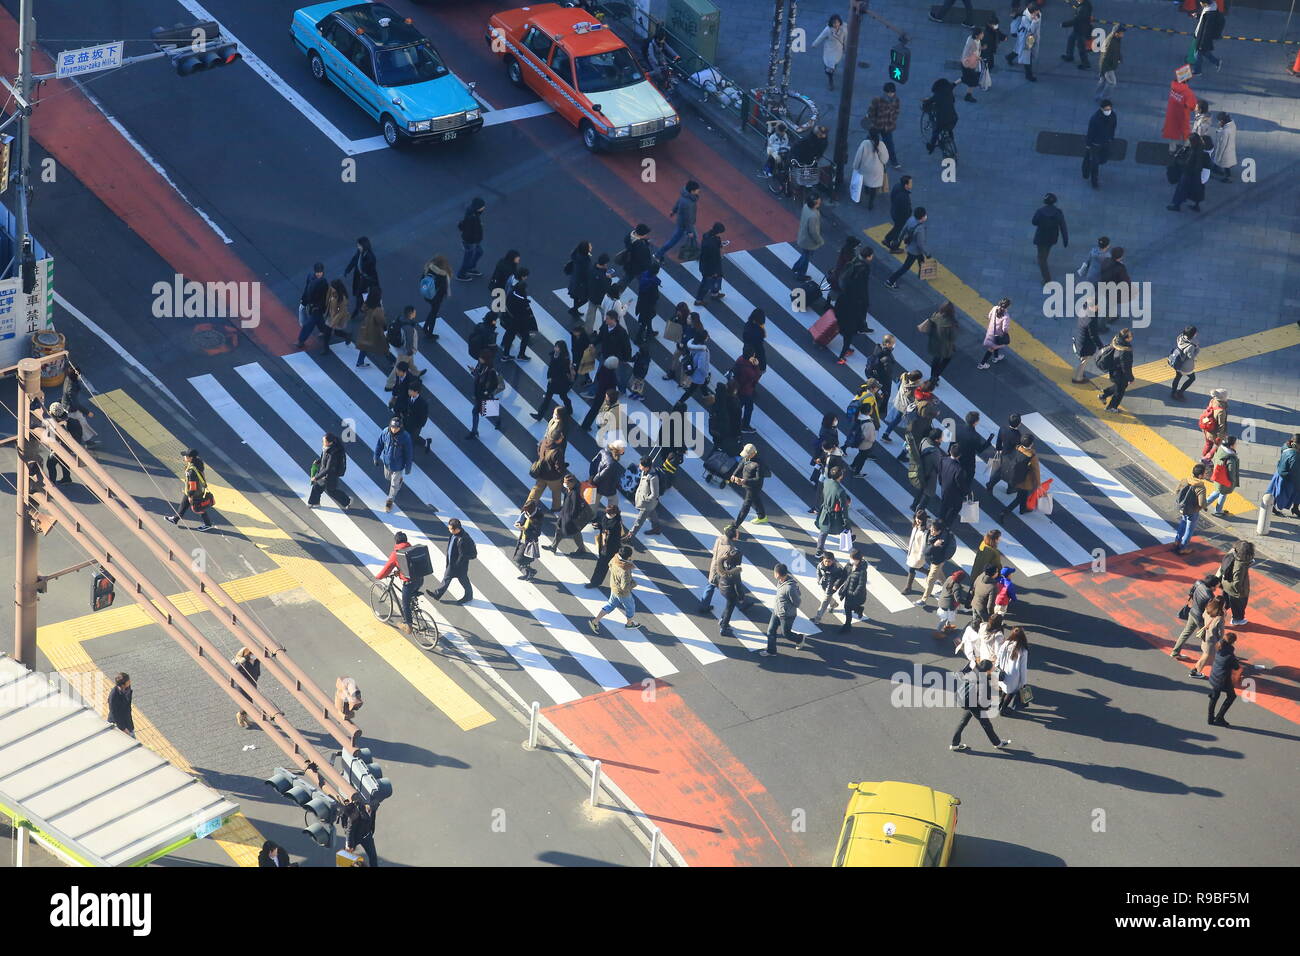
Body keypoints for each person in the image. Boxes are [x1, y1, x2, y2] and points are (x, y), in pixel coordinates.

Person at [950, 659, 1011, 751]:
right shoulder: (983, 683)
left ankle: (955, 744)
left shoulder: (975, 670)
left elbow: (960, 673)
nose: (994, 669)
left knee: (963, 722)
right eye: (992, 668)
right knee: (986, 724)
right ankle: (997, 743)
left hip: (965, 699)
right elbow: (983, 702)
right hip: (973, 704)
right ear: (988, 671)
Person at [377, 531, 423, 632]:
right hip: (420, 579)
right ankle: (414, 609)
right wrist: (400, 572)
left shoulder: (396, 553)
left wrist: (379, 577)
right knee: (410, 598)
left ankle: (409, 626)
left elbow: (387, 568)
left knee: (405, 604)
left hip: (409, 583)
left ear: (396, 542)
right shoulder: (412, 549)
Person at [834, 248, 874, 363]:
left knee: (844, 329)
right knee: (849, 333)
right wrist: (864, 302)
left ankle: (846, 349)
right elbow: (863, 288)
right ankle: (842, 356)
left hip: (842, 302)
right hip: (852, 307)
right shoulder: (864, 269)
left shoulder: (854, 262)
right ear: (869, 256)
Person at [1170, 571, 1220, 661]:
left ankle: (1175, 652)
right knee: (1207, 636)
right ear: (1212, 586)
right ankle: (1211, 654)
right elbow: (1210, 610)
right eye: (1217, 585)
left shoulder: (1199, 584)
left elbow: (1192, 593)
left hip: (1192, 612)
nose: (1217, 587)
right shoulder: (1210, 596)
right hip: (1200, 617)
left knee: (1185, 633)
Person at [590, 545, 640, 630]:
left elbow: (609, 565)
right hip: (623, 593)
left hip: (614, 588)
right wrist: (634, 584)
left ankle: (595, 621)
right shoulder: (625, 570)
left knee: (610, 605)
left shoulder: (615, 559)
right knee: (631, 607)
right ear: (628, 557)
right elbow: (624, 587)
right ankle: (629, 623)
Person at [164, 448, 215, 530]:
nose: (184, 457)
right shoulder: (198, 462)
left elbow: (193, 487)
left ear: (190, 458)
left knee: (198, 509)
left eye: (185, 456)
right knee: (184, 504)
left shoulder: (191, 471)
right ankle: (175, 519)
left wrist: (190, 496)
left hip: (195, 492)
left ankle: (208, 524)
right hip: (197, 489)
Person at [431, 518, 476, 603]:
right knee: (458, 579)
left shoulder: (463, 539)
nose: (449, 530)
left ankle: (437, 594)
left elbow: (462, 555)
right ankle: (438, 594)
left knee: (457, 579)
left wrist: (455, 565)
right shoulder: (454, 534)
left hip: (458, 565)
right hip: (453, 563)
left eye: (450, 528)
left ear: (457, 529)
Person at [883, 207, 929, 289]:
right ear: (922, 217)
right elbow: (920, 244)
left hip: (910, 246)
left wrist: (899, 240)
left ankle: (922, 274)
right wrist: (927, 253)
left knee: (921, 259)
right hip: (914, 251)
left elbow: (903, 230)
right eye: (925, 215)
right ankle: (890, 281)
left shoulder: (911, 219)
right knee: (905, 267)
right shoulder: (920, 229)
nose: (926, 216)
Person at [761, 563, 802, 656]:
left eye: (774, 572)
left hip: (787, 615)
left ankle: (799, 638)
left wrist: (785, 607)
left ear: (778, 574)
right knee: (770, 631)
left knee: (786, 634)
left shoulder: (789, 587)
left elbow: (797, 602)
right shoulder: (781, 581)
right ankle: (771, 651)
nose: (774, 574)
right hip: (776, 611)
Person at [813, 464, 852, 558]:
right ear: (841, 476)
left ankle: (819, 550)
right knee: (844, 527)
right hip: (834, 513)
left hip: (825, 509)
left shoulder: (826, 482)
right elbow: (844, 509)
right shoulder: (840, 491)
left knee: (823, 531)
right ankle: (850, 537)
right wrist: (847, 522)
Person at [999, 432, 1042, 518]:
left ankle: (1023, 508)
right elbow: (1036, 471)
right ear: (1031, 444)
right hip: (1025, 480)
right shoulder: (1032, 455)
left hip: (1015, 476)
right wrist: (1038, 484)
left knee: (1022, 495)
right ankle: (1005, 512)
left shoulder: (1018, 448)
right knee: (1020, 497)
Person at [1206, 634, 1245, 727]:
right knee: (1231, 696)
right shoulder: (1230, 656)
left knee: (1214, 697)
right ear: (1233, 642)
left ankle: (1210, 718)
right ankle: (1219, 717)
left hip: (1214, 676)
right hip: (1223, 680)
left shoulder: (1219, 647)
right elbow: (1236, 667)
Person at [1168, 133, 1213, 212]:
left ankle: (1176, 205)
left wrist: (1178, 160)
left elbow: (1187, 163)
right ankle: (1196, 205)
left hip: (1188, 174)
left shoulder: (1193, 151)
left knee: (1181, 190)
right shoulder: (1202, 150)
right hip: (1197, 176)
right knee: (1197, 191)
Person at [917, 519, 957, 607]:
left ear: (939, 531)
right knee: (939, 574)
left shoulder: (941, 542)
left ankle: (924, 600)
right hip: (936, 560)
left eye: (933, 530)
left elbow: (927, 552)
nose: (931, 531)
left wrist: (934, 545)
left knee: (930, 580)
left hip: (937, 561)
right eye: (931, 529)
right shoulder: (937, 535)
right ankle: (948, 588)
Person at [500, 268, 537, 362]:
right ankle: (521, 354)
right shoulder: (522, 300)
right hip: (520, 320)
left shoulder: (512, 294)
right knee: (525, 336)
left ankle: (505, 355)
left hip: (511, 318)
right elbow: (525, 311)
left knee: (510, 336)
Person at [308, 433, 352, 510]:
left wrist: (316, 477)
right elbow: (324, 459)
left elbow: (328, 468)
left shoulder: (333, 453)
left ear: (330, 442)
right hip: (324, 474)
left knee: (331, 491)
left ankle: (348, 501)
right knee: (316, 487)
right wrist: (318, 461)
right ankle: (314, 503)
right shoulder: (326, 448)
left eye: (324, 441)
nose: (322, 442)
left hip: (331, 476)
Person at [1031, 193, 1068, 285]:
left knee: (1042, 259)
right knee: (1046, 249)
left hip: (1041, 236)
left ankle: (1047, 279)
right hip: (1052, 237)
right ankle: (1042, 257)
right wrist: (1065, 239)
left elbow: (1034, 222)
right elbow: (1063, 226)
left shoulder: (1040, 211)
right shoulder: (1058, 212)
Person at [532, 340, 574, 421]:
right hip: (553, 381)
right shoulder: (554, 355)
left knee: (563, 396)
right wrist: (549, 376)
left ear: (561, 349)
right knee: (548, 399)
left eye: (557, 347)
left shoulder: (564, 359)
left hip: (560, 382)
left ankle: (569, 409)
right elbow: (551, 367)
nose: (555, 348)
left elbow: (563, 372)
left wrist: (552, 379)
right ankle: (539, 415)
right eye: (555, 346)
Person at [587, 502, 625, 589]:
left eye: (609, 513)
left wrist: (605, 532)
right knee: (604, 564)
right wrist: (599, 526)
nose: (607, 515)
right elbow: (603, 525)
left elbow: (614, 536)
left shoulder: (616, 524)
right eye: (607, 513)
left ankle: (595, 582)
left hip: (610, 547)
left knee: (602, 565)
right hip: (603, 544)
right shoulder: (606, 517)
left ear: (614, 514)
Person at [866, 83, 903, 170]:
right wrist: (873, 120)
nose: (891, 94)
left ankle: (894, 161)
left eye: (892, 93)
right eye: (889, 93)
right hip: (876, 125)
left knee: (889, 144)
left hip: (887, 127)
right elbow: (871, 111)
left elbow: (897, 111)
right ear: (885, 92)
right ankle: (868, 159)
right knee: (872, 143)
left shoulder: (896, 100)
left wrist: (892, 119)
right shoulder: (877, 100)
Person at [1173, 463, 1208, 555]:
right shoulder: (1200, 487)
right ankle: (1183, 547)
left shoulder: (1185, 480)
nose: (1206, 475)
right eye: (1205, 473)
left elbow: (1176, 490)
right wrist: (1204, 507)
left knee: (1183, 523)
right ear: (1200, 476)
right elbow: (1201, 503)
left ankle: (1177, 540)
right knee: (1189, 529)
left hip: (1182, 508)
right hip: (1192, 511)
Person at [1097, 328, 1135, 412]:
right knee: (1120, 391)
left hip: (1114, 371)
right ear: (1126, 338)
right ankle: (1111, 407)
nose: (1132, 335)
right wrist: (1130, 378)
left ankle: (1104, 394)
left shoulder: (1117, 341)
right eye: (1130, 335)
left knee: (1119, 386)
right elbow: (1126, 367)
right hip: (1119, 374)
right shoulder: (1124, 352)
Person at [44, 403, 83, 484]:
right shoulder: (73, 421)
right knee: (63, 461)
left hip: (61, 448)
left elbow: (51, 437)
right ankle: (66, 478)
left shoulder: (57, 425)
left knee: (50, 463)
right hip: (72, 448)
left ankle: (52, 483)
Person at [730, 443, 769, 525]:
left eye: (747, 455)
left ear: (753, 453)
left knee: (745, 506)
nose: (745, 457)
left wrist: (744, 481)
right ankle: (762, 517)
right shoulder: (747, 458)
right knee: (756, 499)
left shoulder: (759, 464)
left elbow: (758, 479)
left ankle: (734, 526)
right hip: (746, 484)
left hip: (754, 487)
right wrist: (734, 474)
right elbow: (741, 465)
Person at [466, 348, 501, 439]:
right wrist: (473, 372)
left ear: (485, 359)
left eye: (481, 358)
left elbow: (495, 384)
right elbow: (478, 375)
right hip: (479, 393)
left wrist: (487, 392)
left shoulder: (490, 371)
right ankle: (497, 421)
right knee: (487, 410)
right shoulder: (480, 365)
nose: (479, 359)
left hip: (484, 394)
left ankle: (474, 431)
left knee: (477, 411)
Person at [1218, 540, 1254, 626]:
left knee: (1225, 602)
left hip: (1225, 583)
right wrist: (1240, 592)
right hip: (1234, 590)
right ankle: (1237, 619)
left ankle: (1218, 613)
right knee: (1239, 606)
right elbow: (1237, 582)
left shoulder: (1232, 553)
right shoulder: (1241, 565)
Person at [629, 458, 665, 542]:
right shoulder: (644, 472)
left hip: (647, 504)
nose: (639, 466)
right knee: (652, 513)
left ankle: (629, 536)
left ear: (647, 467)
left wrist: (645, 499)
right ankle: (657, 528)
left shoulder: (653, 478)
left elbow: (654, 494)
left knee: (638, 521)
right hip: (645, 501)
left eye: (641, 465)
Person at [1083, 100, 1116, 190]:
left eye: (1109, 109)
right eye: (1106, 109)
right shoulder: (1095, 119)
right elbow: (1091, 132)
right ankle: (1094, 181)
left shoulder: (1113, 115)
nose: (1108, 111)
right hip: (1095, 144)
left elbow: (1113, 127)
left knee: (1104, 159)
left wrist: (1111, 137)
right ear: (1101, 109)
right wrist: (1088, 144)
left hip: (1106, 142)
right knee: (1095, 164)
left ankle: (1090, 164)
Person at [996, 627, 1030, 714]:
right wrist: (1024, 683)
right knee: (1010, 693)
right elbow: (1023, 669)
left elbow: (998, 657)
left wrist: (997, 667)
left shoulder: (1006, 644)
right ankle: (1003, 709)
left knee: (1004, 689)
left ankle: (1000, 704)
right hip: (1013, 676)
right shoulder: (1022, 650)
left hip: (1002, 671)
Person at [851, 131, 890, 208]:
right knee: (873, 186)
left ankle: (866, 190)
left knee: (865, 180)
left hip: (865, 168)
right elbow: (885, 160)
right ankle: (871, 203)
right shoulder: (881, 144)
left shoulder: (864, 144)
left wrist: (855, 166)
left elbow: (858, 156)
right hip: (877, 171)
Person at [1162, 70, 1198, 152]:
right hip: (1182, 116)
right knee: (1185, 132)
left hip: (1171, 114)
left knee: (1173, 131)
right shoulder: (1188, 93)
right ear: (1186, 80)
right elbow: (1193, 106)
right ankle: (1186, 146)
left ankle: (1172, 149)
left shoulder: (1173, 86)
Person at [296, 261, 329, 350]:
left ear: (323, 272)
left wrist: (318, 306)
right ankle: (325, 331)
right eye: (317, 272)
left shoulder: (323, 283)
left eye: (320, 272)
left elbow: (324, 297)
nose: (319, 274)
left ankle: (301, 340)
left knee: (309, 324)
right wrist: (303, 300)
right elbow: (307, 289)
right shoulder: (311, 278)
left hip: (317, 307)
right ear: (314, 272)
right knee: (319, 320)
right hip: (312, 304)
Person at [353, 283, 388, 369]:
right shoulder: (378, 309)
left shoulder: (367, 303)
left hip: (367, 326)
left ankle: (360, 361)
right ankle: (392, 361)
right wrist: (385, 327)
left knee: (365, 345)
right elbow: (382, 321)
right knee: (384, 346)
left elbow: (362, 309)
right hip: (376, 329)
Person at [936, 443, 970, 527]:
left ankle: (939, 522)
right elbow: (961, 484)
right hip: (955, 494)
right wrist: (966, 493)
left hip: (944, 489)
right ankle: (947, 526)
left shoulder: (943, 460)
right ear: (959, 455)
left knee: (944, 506)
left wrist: (941, 483)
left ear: (950, 451)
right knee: (956, 508)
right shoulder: (959, 469)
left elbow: (939, 473)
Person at [1266, 434, 1300, 518]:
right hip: (1287, 478)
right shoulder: (1295, 456)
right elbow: (1295, 472)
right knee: (1296, 492)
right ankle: (1295, 508)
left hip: (1279, 473)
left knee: (1274, 492)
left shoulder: (1285, 446)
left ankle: (1272, 506)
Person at [693, 222, 727, 305]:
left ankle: (714, 293)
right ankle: (698, 300)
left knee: (718, 277)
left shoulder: (707, 235)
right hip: (710, 267)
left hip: (706, 264)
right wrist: (714, 272)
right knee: (706, 283)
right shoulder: (712, 245)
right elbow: (714, 259)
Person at [343, 237, 378, 317]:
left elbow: (371, 271)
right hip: (359, 278)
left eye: (359, 245)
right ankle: (362, 309)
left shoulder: (370, 257)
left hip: (365, 280)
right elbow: (354, 260)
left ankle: (366, 311)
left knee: (363, 295)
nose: (358, 247)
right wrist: (347, 270)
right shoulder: (359, 252)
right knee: (359, 295)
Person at [791, 195, 824, 280]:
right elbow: (813, 232)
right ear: (815, 204)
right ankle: (801, 275)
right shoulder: (813, 216)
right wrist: (820, 241)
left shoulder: (806, 207)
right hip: (809, 242)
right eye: (819, 201)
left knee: (804, 255)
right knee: (806, 258)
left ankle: (796, 267)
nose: (820, 202)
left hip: (803, 236)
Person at [922, 79, 958, 154]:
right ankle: (950, 138)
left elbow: (928, 104)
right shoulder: (949, 91)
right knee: (949, 127)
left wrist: (925, 105)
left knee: (936, 131)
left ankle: (931, 147)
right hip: (954, 118)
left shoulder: (937, 96)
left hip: (943, 121)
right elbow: (953, 100)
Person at [1205, 436, 1239, 515]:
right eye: (1235, 443)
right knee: (1220, 493)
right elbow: (1232, 474)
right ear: (1231, 446)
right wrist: (1232, 484)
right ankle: (1206, 506)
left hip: (1218, 477)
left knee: (1219, 492)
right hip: (1225, 481)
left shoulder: (1220, 450)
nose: (1236, 445)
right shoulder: (1231, 459)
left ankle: (1215, 509)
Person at [419, 255, 451, 337]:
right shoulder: (443, 274)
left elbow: (422, 279)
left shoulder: (428, 268)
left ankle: (426, 327)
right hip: (436, 297)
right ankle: (429, 332)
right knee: (434, 313)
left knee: (432, 311)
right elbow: (444, 288)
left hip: (426, 293)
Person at [588, 439, 627, 507]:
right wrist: (592, 482)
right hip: (605, 486)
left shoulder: (602, 451)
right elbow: (600, 476)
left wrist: (591, 476)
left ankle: (592, 516)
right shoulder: (611, 463)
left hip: (597, 484)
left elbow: (593, 462)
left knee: (593, 503)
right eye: (623, 448)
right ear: (618, 449)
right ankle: (611, 514)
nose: (624, 450)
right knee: (613, 501)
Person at [811, 552, 848, 624]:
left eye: (829, 561)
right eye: (826, 561)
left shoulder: (836, 569)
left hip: (831, 588)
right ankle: (833, 604)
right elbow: (818, 571)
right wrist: (818, 580)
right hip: (823, 585)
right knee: (827, 598)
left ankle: (817, 618)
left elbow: (841, 578)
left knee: (824, 603)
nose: (827, 563)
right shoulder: (820, 565)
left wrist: (836, 585)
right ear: (823, 559)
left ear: (833, 561)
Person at [455, 197, 486, 281]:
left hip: (473, 241)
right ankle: (461, 274)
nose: (484, 207)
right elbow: (470, 231)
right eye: (482, 206)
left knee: (479, 252)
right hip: (470, 242)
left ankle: (470, 268)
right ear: (477, 207)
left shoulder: (473, 212)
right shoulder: (473, 218)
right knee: (468, 258)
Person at [342, 796, 379, 866]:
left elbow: (372, 818)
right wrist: (349, 844)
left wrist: (370, 831)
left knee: (373, 856)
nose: (370, 810)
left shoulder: (372, 808)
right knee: (346, 855)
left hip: (367, 836)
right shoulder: (355, 814)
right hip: (355, 837)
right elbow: (350, 829)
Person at [934, 569, 970, 641]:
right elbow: (958, 599)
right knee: (944, 619)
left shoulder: (949, 578)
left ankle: (947, 627)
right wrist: (967, 602)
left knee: (947, 617)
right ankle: (937, 632)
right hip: (949, 605)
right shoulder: (957, 586)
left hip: (943, 601)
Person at [812, 14, 846, 89]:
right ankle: (830, 80)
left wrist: (845, 47)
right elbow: (821, 37)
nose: (836, 24)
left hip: (838, 50)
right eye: (834, 23)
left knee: (835, 63)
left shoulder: (843, 28)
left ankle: (832, 69)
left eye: (837, 22)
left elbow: (845, 38)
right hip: (829, 50)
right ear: (831, 23)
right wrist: (814, 44)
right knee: (829, 67)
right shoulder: (828, 30)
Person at [1192, 0, 1225, 75]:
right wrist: (1198, 16)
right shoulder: (1210, 8)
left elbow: (1206, 31)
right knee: (1203, 52)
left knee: (1197, 53)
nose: (1200, 3)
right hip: (1201, 35)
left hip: (1202, 38)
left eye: (1201, 2)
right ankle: (1216, 62)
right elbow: (1204, 18)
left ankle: (1197, 71)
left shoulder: (1210, 14)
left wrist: (1201, 43)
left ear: (1205, 3)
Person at [232, 645, 262, 729]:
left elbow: (257, 671)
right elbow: (235, 670)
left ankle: (244, 717)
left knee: (250, 702)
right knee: (247, 703)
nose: (254, 655)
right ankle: (240, 715)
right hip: (242, 686)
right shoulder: (242, 664)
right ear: (247, 656)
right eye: (251, 654)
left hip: (252, 683)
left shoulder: (257, 661)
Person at [977, 298, 1011, 370]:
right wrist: (1007, 332)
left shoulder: (994, 308)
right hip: (998, 334)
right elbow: (1005, 329)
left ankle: (996, 357)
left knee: (996, 344)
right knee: (992, 348)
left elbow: (989, 316)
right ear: (1007, 307)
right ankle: (982, 364)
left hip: (991, 331)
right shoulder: (1006, 316)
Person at [620, 224, 655, 293]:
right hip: (639, 268)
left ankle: (617, 291)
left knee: (626, 279)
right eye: (645, 234)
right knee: (644, 280)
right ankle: (646, 293)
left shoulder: (630, 236)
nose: (646, 235)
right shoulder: (641, 247)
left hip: (629, 265)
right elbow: (645, 261)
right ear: (641, 235)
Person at [514, 500, 544, 582]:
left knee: (520, 559)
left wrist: (524, 529)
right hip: (523, 538)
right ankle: (528, 573)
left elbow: (537, 532)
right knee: (524, 559)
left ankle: (531, 571)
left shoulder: (537, 517)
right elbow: (521, 519)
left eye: (527, 510)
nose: (525, 512)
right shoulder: (526, 513)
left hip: (529, 541)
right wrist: (519, 524)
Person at [1168, 325, 1200, 400]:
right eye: (1195, 333)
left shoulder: (1180, 337)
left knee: (1177, 377)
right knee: (1192, 378)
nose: (1196, 334)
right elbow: (1190, 357)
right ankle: (1180, 392)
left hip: (1177, 362)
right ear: (1192, 335)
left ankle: (1173, 392)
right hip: (1185, 367)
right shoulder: (1191, 346)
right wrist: (1197, 349)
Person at [1010, 4, 1041, 80]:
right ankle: (1028, 75)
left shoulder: (1035, 14)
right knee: (1027, 56)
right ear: (1032, 12)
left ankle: (1009, 57)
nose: (1038, 13)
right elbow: (1030, 30)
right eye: (1036, 12)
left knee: (1019, 50)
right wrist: (1034, 21)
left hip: (1029, 37)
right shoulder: (1025, 18)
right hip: (1026, 38)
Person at [565, 240, 594, 321]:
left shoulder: (576, 254)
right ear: (586, 249)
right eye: (589, 246)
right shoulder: (585, 261)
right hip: (581, 284)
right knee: (585, 298)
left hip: (575, 281)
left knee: (576, 297)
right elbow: (588, 273)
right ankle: (574, 309)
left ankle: (575, 310)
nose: (591, 246)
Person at [883, 175, 913, 251]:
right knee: (899, 232)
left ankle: (887, 239)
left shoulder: (897, 186)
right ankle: (894, 247)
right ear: (906, 185)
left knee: (897, 228)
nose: (911, 184)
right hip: (901, 217)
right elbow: (906, 210)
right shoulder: (904, 197)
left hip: (894, 211)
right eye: (910, 183)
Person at [902, 511, 929, 594]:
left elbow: (923, 546)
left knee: (912, 568)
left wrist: (920, 557)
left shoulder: (925, 531)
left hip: (918, 554)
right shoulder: (915, 527)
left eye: (920, 519)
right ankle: (929, 573)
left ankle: (908, 587)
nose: (918, 520)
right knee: (915, 567)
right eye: (917, 518)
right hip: (912, 552)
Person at [1061, 0, 1094, 69]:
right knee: (1071, 40)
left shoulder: (1083, 8)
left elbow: (1077, 20)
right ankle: (1069, 56)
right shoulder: (1085, 4)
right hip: (1079, 28)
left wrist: (1065, 24)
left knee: (1081, 46)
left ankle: (1086, 64)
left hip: (1081, 30)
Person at [1198, 388, 1229, 460]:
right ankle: (1206, 460)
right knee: (1215, 448)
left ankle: (1203, 457)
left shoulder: (1212, 400)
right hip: (1213, 433)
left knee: (1208, 444)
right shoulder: (1221, 411)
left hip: (1207, 428)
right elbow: (1221, 425)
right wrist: (1220, 438)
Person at [1095, 26, 1124, 102]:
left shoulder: (1116, 39)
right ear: (1116, 33)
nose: (1122, 35)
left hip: (1107, 66)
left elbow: (1116, 51)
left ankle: (1098, 97)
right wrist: (1103, 70)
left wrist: (1119, 58)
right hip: (1108, 67)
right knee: (1112, 83)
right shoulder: (1111, 42)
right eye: (1121, 33)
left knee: (1103, 81)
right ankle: (1105, 99)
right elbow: (1104, 57)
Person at [1210, 112, 1238, 182]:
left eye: (1219, 121)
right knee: (1226, 165)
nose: (1218, 123)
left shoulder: (1225, 132)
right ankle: (1216, 168)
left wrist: (1219, 156)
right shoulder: (1232, 125)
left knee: (1225, 164)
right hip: (1230, 149)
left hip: (1225, 152)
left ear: (1222, 121)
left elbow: (1222, 144)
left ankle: (1226, 178)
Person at [959, 28, 983, 103]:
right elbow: (973, 55)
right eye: (981, 34)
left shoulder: (970, 38)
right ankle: (968, 96)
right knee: (973, 80)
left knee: (966, 77)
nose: (982, 35)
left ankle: (953, 85)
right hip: (969, 65)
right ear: (976, 36)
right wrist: (979, 58)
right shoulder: (973, 44)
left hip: (966, 63)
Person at [107, 672, 134, 737]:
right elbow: (114, 714)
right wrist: (123, 729)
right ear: (122, 685)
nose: (130, 681)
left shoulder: (127, 688)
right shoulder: (113, 697)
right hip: (118, 725)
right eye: (128, 681)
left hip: (128, 721)